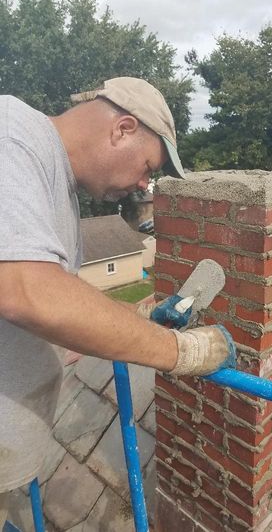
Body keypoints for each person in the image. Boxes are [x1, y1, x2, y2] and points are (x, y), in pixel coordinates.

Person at [0, 77, 235, 526]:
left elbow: (59, 299)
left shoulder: (58, 185)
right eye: (148, 167)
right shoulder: (11, 135)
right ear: (123, 128)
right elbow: (26, 292)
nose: (143, 185)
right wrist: (183, 351)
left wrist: (137, 316)